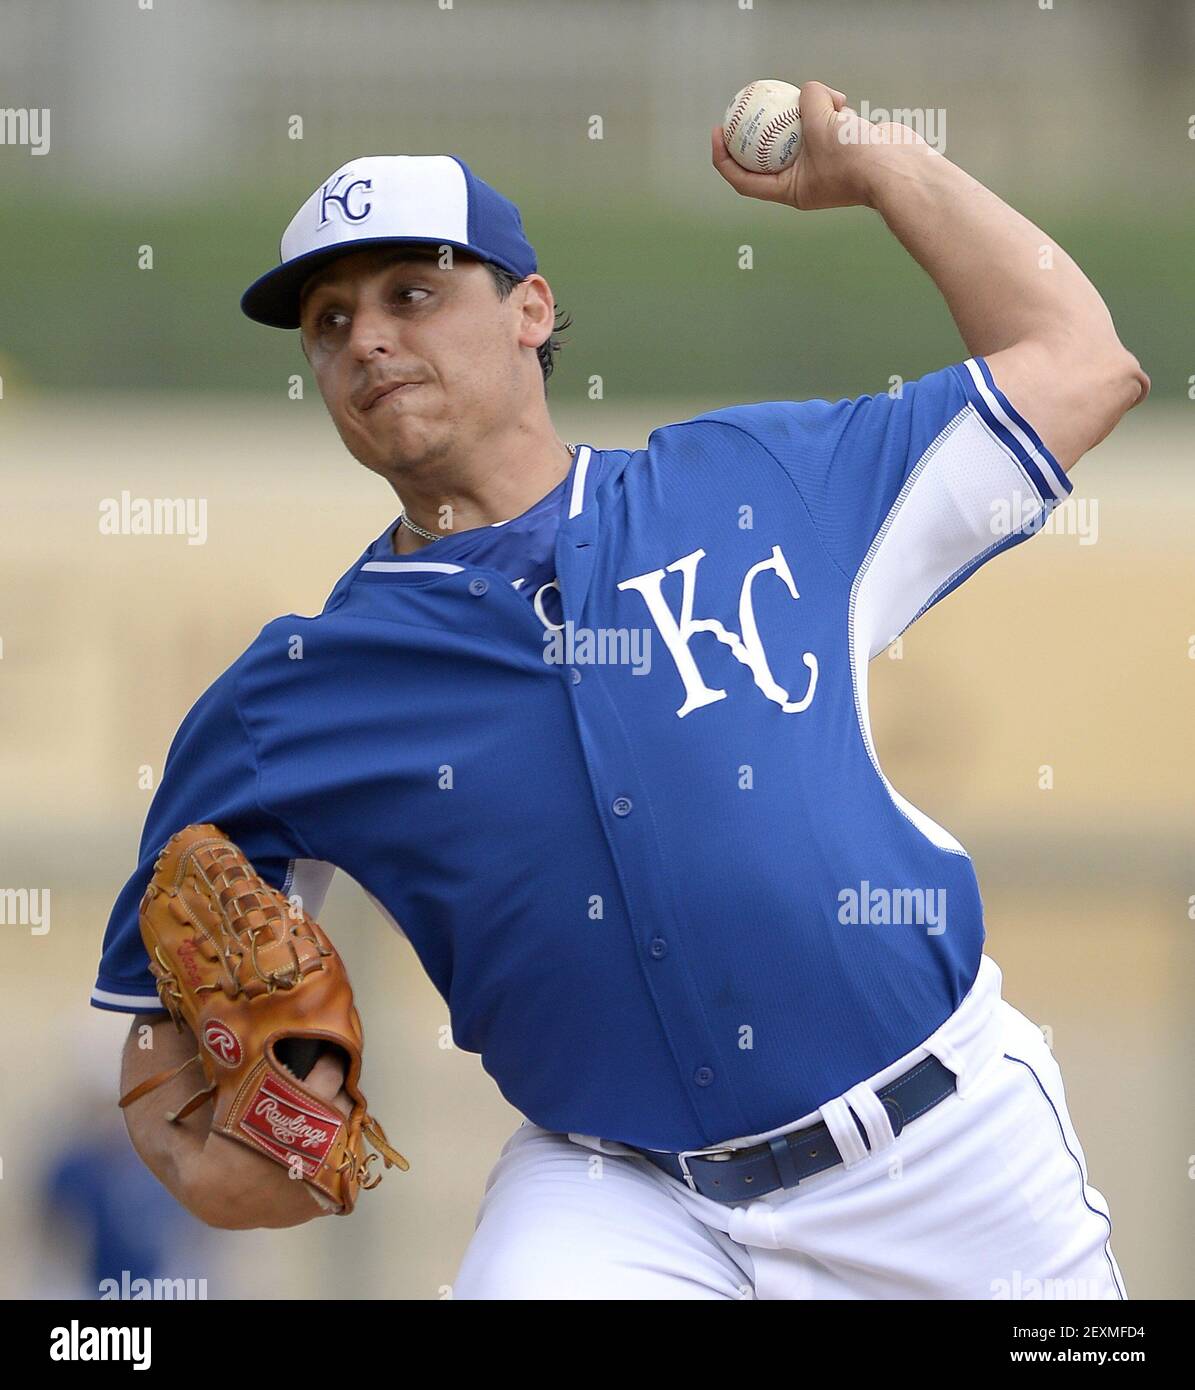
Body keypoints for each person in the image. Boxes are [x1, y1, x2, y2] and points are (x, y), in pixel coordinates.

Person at [97, 82, 1147, 1298]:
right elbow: (162, 1043)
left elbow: (1083, 364)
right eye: (328, 322)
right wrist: (236, 1144)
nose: (366, 338)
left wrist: (877, 163)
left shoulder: (757, 484)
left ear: (532, 308)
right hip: (615, 1197)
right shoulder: (290, 698)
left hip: (943, 1155)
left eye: (413, 292)